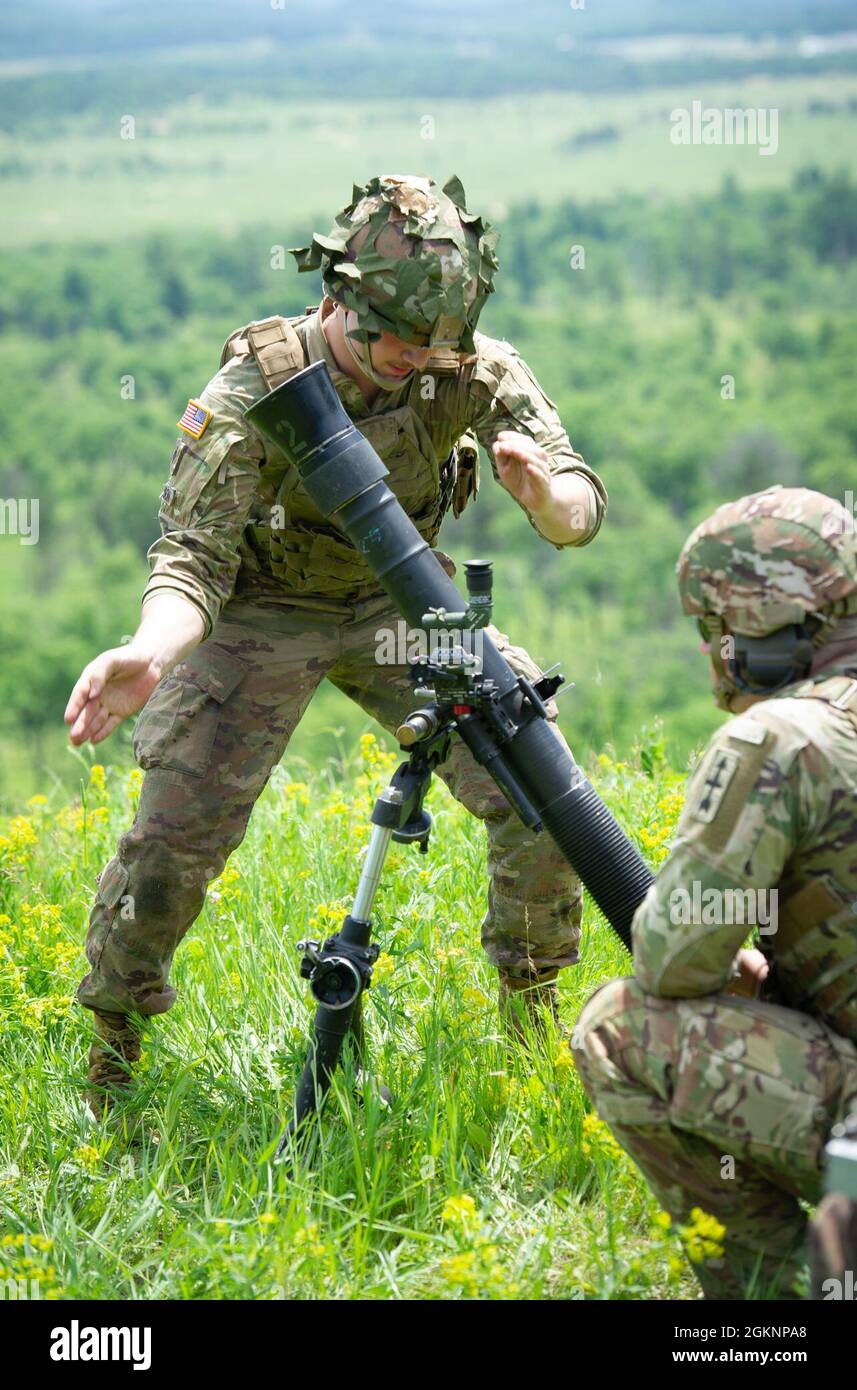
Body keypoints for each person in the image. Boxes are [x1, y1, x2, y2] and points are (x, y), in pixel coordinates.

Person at [64, 173, 607, 1116]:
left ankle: (530, 1019)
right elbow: (191, 558)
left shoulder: (460, 360)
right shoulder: (254, 387)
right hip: (256, 608)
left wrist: (547, 502)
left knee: (536, 776)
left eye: (433, 339)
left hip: (400, 595)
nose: (413, 356)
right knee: (172, 844)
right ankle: (113, 1051)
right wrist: (150, 654)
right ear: (337, 298)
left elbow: (575, 502)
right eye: (393, 334)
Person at [572, 485, 857, 1299]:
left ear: (760, 638)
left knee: (619, 1030)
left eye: (716, 630)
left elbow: (672, 966)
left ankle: (769, 1308)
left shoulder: (780, 738)